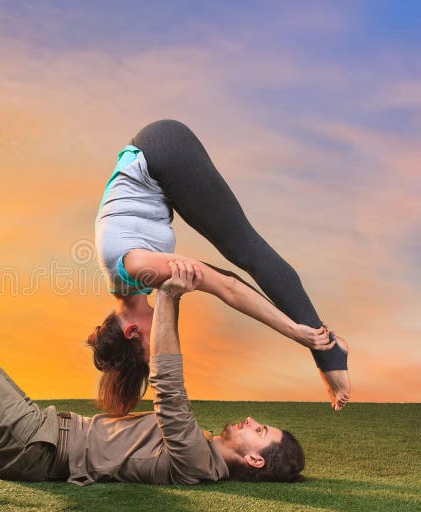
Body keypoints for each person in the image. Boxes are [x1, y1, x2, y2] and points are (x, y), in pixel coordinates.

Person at [0, 200, 308, 485]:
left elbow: (170, 390)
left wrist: (170, 296)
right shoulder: (199, 449)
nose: (251, 421)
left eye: (260, 431)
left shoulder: (201, 465)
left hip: (36, 447)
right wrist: (166, 298)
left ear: (253, 459)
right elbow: (159, 382)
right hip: (41, 432)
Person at [92, 119, 350, 413]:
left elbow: (227, 285)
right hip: (159, 157)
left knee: (246, 250)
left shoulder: (136, 268)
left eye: (155, 346)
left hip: (162, 152)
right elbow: (221, 280)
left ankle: (329, 355)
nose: (163, 341)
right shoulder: (130, 282)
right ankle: (327, 349)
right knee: (242, 251)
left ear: (132, 332)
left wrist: (295, 332)